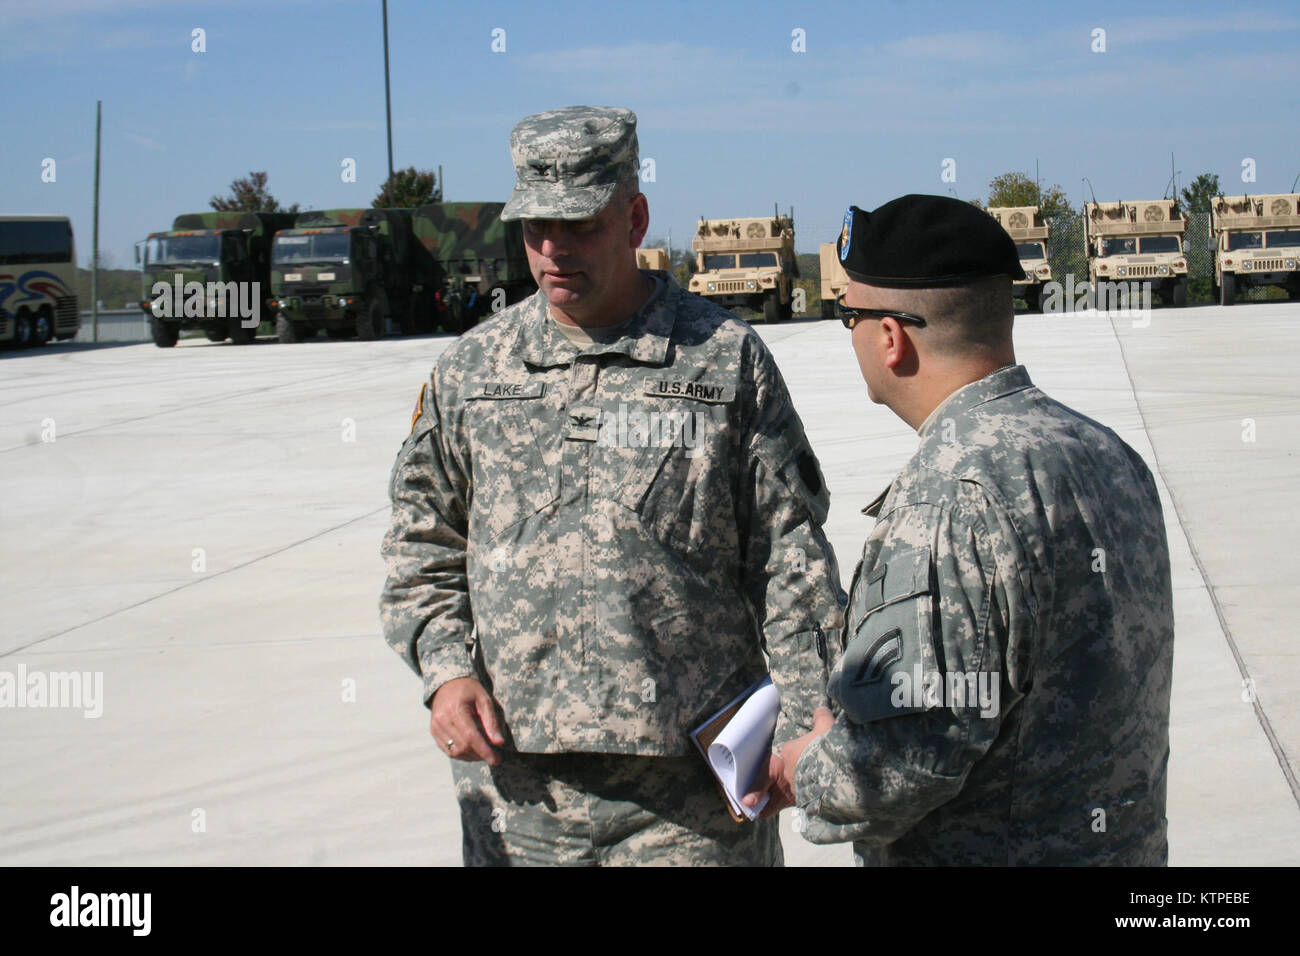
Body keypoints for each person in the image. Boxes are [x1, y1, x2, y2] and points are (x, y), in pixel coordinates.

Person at [379, 105, 844, 866]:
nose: (554, 249)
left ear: (634, 217)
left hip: (695, 800)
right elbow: (421, 543)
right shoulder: (473, 371)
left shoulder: (723, 361)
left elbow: (789, 562)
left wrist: (806, 718)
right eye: (536, 228)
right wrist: (447, 671)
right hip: (517, 791)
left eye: (581, 225)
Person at [764, 194, 1174, 865]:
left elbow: (904, 760)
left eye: (850, 317)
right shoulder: (1106, 451)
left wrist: (804, 770)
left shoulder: (951, 496)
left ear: (891, 338)